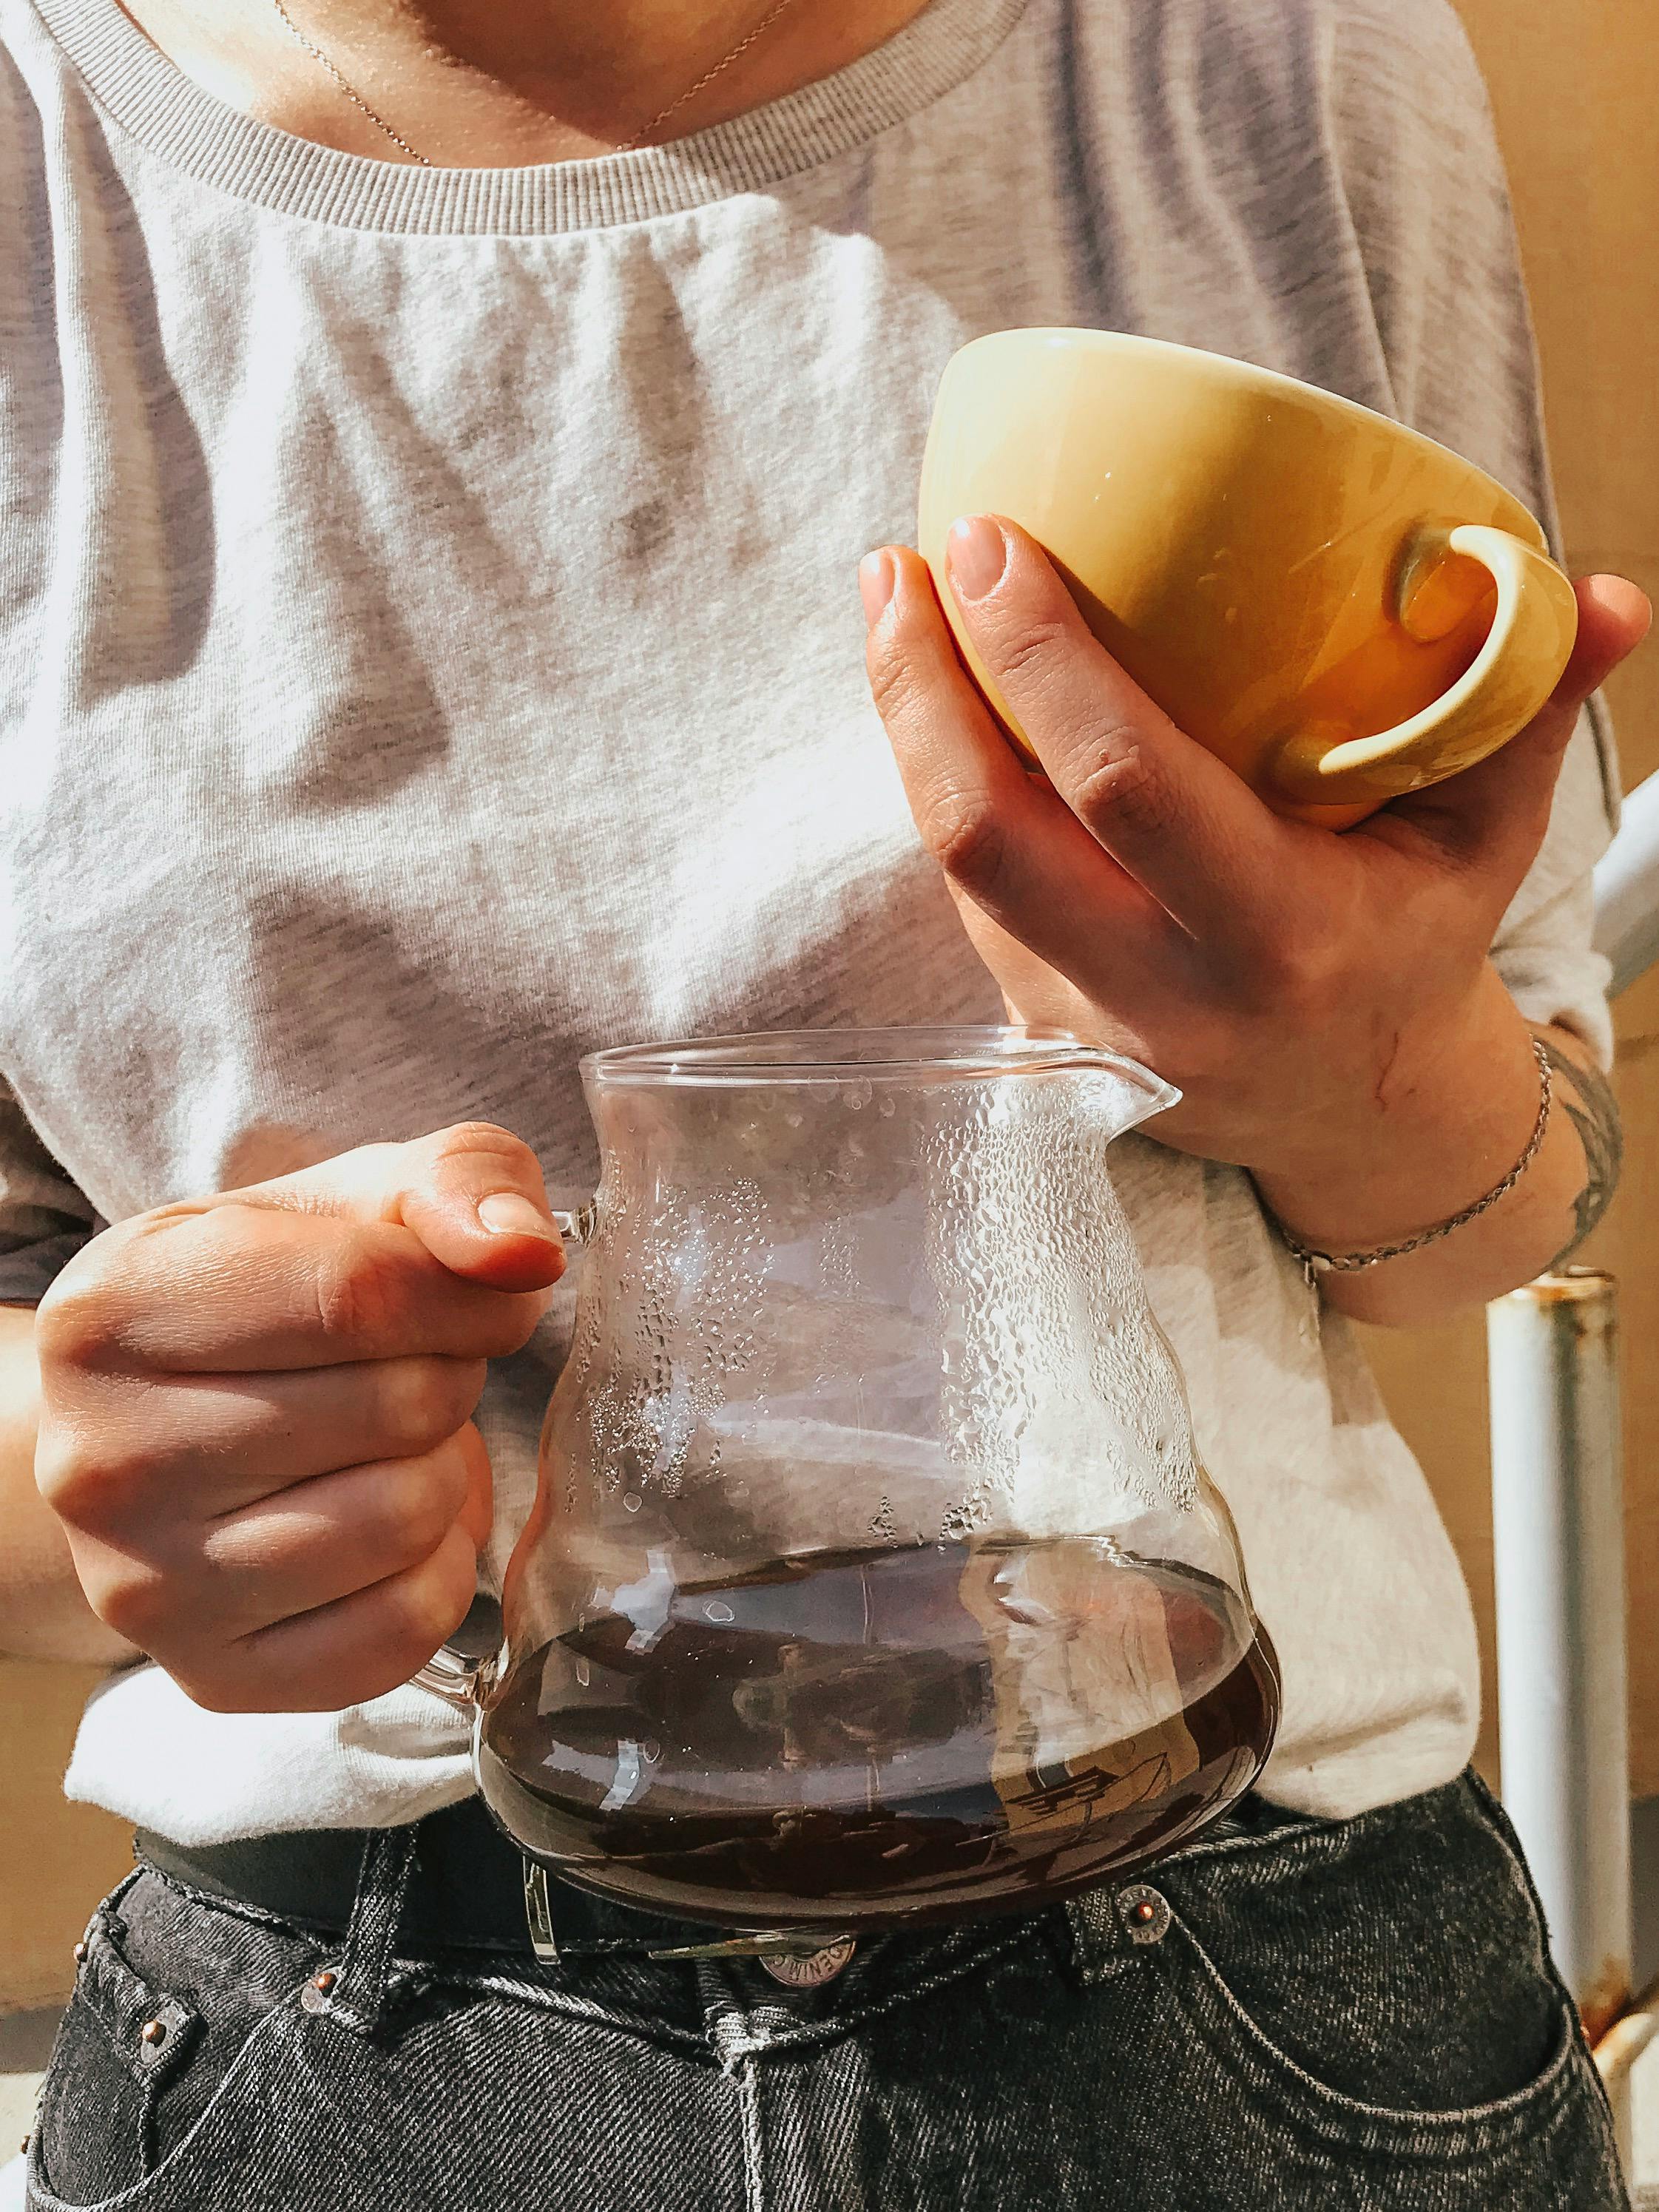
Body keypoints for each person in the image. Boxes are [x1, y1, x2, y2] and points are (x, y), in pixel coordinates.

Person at [0, 0, 1649, 2202]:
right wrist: (91, 1479)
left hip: (1243, 1970)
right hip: (340, 2031)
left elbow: (1506, 1190)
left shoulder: (1276, 50)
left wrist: (1342, 1064)